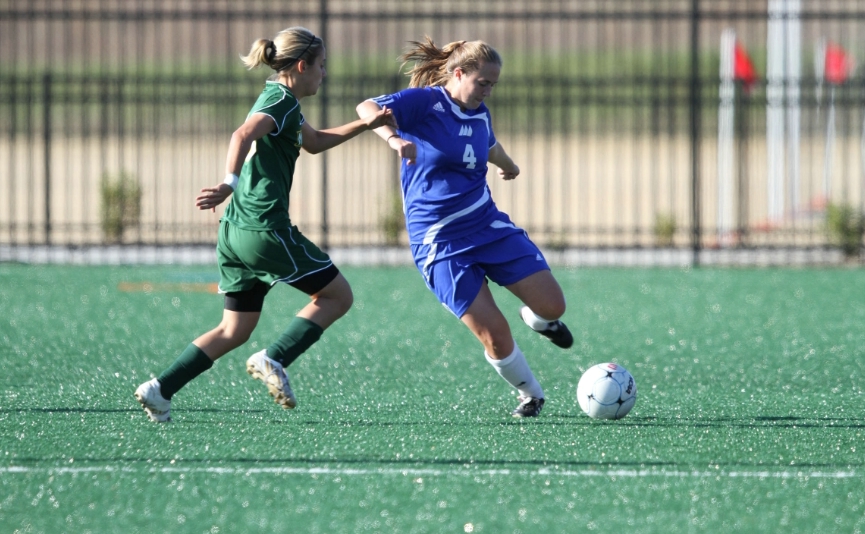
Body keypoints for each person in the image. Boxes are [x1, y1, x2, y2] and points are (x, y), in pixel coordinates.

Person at [134, 26, 394, 422]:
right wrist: (228, 182)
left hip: (235, 231)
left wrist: (365, 125)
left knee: (233, 329)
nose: (324, 74)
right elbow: (242, 134)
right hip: (264, 227)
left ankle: (160, 389)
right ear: (302, 65)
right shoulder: (280, 100)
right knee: (337, 296)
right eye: (321, 66)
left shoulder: (282, 102)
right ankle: (274, 358)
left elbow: (315, 141)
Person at [356, 37, 573, 418]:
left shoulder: (480, 112)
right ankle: (531, 395)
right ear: (458, 74)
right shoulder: (426, 102)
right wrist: (393, 138)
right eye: (482, 82)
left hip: (487, 226)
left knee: (553, 304)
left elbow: (487, 145)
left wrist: (509, 165)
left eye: (493, 84)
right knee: (494, 334)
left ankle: (538, 319)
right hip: (439, 242)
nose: (488, 90)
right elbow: (367, 107)